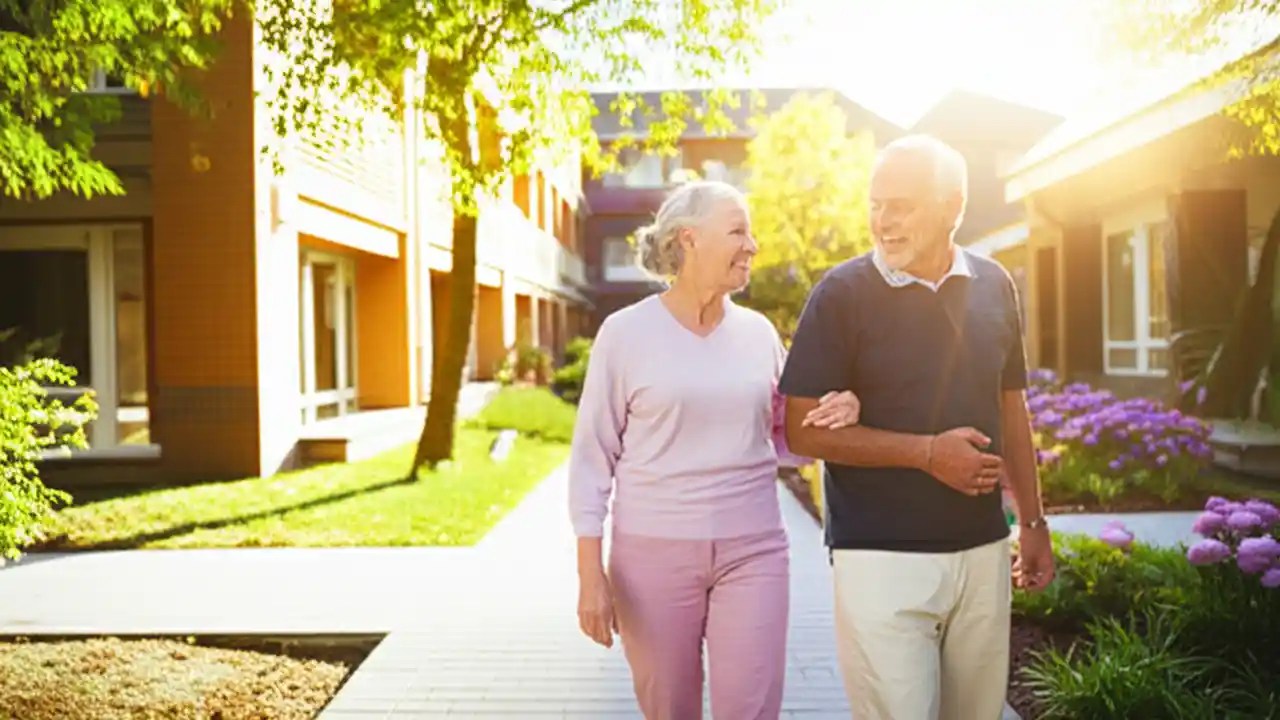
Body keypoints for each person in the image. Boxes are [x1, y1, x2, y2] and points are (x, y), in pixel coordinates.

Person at [778, 134, 1055, 720]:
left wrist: (1032, 521)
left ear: (952, 207)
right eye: (876, 203)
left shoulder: (995, 285)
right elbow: (803, 432)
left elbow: (1012, 408)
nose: (883, 220)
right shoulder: (841, 294)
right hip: (879, 555)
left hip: (982, 550)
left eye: (901, 205)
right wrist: (928, 453)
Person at [568, 180, 859, 720]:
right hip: (652, 554)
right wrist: (591, 577)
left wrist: (831, 416)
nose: (752, 246)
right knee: (670, 709)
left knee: (751, 710)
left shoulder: (758, 334)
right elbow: (591, 459)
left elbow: (784, 440)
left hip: (753, 549)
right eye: (738, 232)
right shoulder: (625, 334)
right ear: (689, 239)